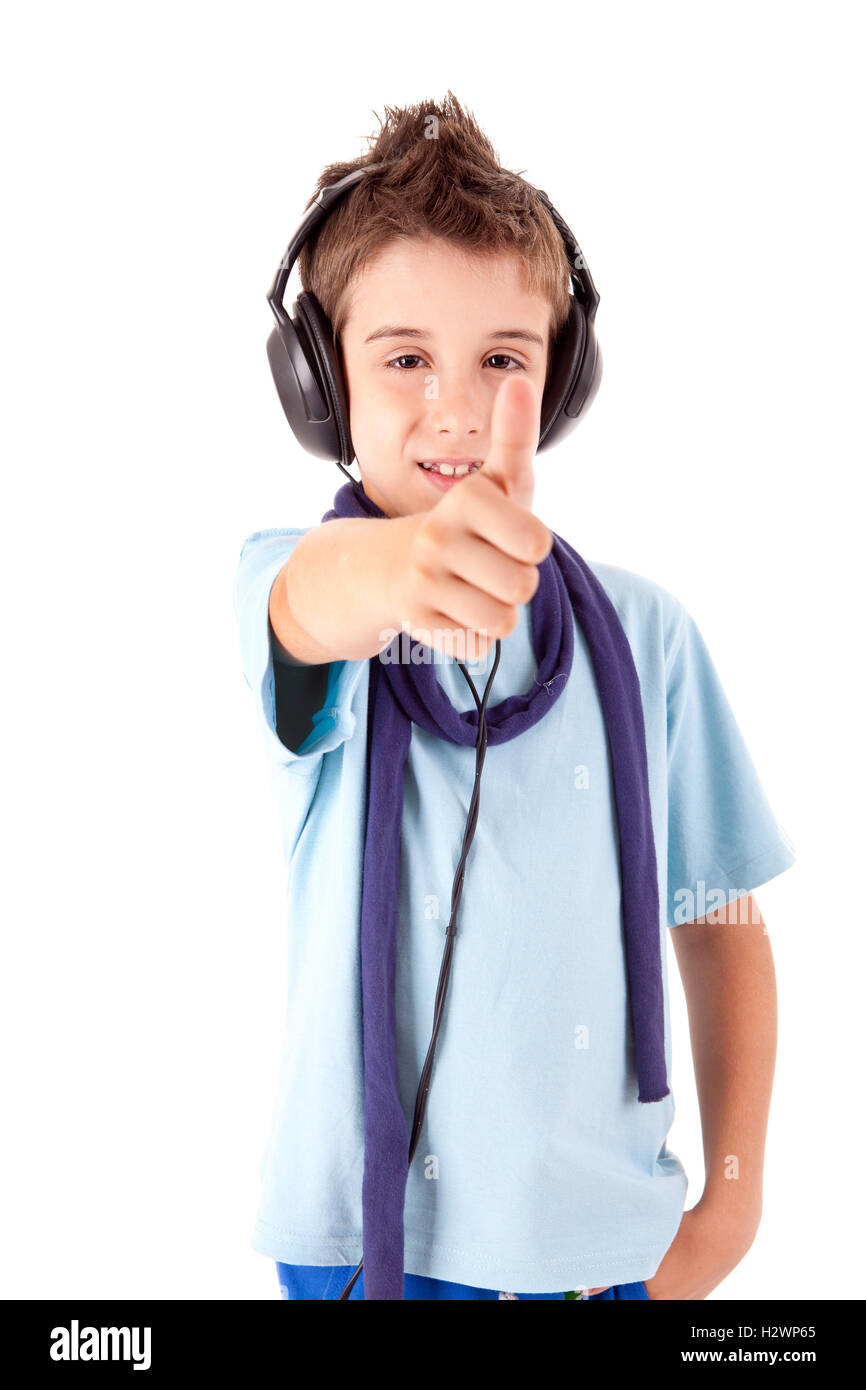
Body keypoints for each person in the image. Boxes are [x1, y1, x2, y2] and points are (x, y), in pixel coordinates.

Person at [232, 93, 795, 1301]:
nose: (454, 406)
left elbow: (715, 913)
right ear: (317, 384)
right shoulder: (291, 586)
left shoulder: (646, 635)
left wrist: (733, 1200)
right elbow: (319, 599)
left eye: (501, 359)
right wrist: (405, 567)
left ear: (560, 377)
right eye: (402, 359)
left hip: (599, 1253)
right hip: (353, 1244)